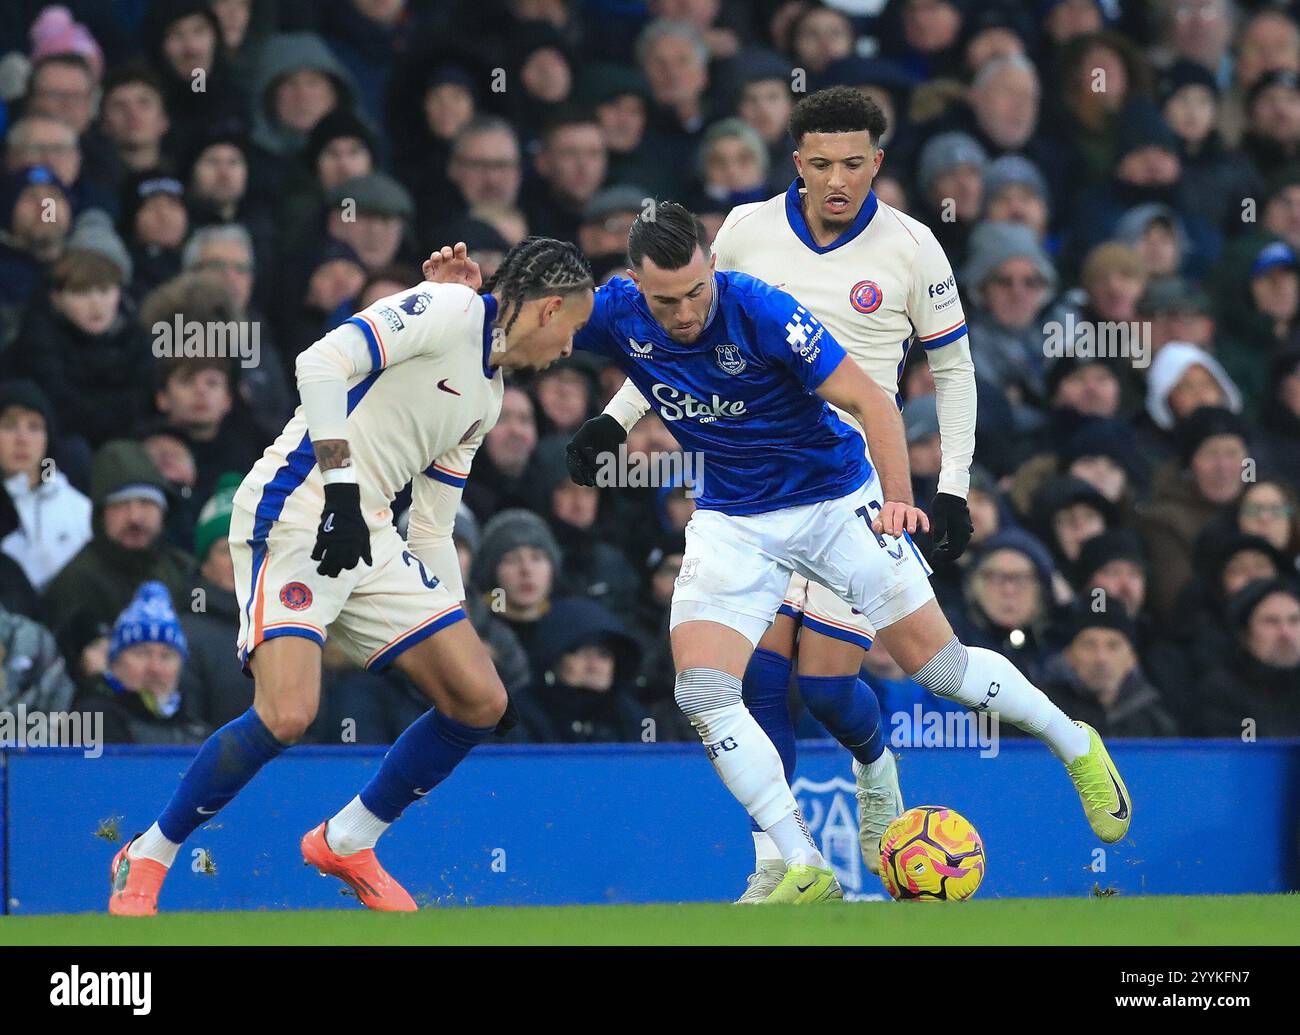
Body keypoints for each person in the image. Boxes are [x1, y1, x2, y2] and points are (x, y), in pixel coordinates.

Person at [430, 201, 1133, 906]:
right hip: (733, 516)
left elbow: (873, 402)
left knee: (940, 669)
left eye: (696, 292)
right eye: (666, 302)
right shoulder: (615, 310)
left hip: (833, 499)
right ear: (636, 286)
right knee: (703, 691)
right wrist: (458, 297)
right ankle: (801, 862)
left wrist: (899, 497)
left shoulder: (764, 312)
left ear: (713, 266)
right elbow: (522, 318)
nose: (685, 313)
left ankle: (1074, 742)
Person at [562, 86, 979, 900]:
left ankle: (874, 762)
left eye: (852, 163)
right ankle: (776, 862)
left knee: (825, 688)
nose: (836, 179)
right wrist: (616, 418)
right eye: (821, 162)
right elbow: (679, 338)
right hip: (751, 487)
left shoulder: (914, 246)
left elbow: (953, 370)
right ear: (798, 162)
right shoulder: (745, 232)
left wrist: (951, 486)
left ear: (876, 163)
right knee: (753, 680)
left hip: (846, 483)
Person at [105, 237, 594, 916]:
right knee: (288, 714)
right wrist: (339, 488)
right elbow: (321, 361)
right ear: (548, 309)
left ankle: (348, 839)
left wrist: (461, 630)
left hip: (369, 530)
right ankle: (150, 851)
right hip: (299, 507)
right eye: (572, 328)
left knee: (480, 699)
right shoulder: (449, 308)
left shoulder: (488, 396)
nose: (569, 349)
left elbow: (431, 528)